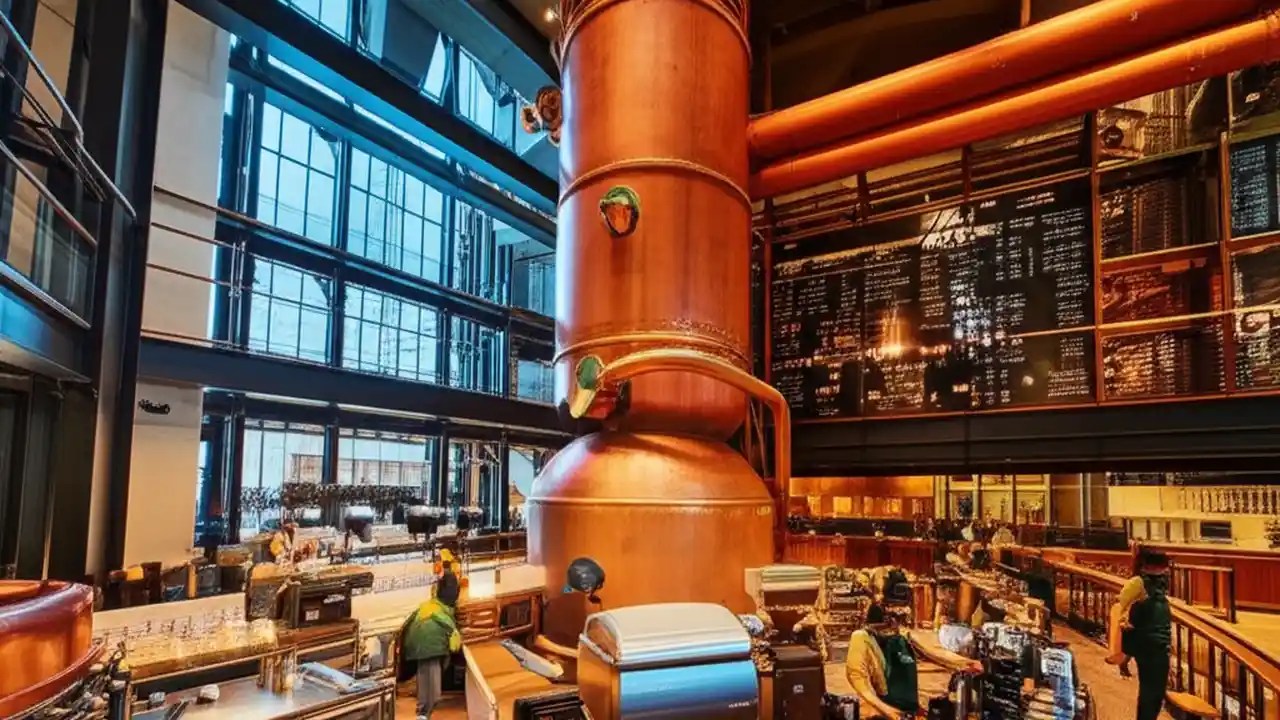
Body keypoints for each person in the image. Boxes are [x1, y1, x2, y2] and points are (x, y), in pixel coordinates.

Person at [846, 604, 978, 719]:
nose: (890, 631)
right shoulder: (861, 638)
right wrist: (887, 711)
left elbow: (934, 653)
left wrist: (966, 663)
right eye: (884, 627)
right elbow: (858, 680)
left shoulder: (902, 636)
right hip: (880, 710)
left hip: (908, 709)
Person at [1105, 548, 1172, 720]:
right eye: (1162, 566)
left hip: (1157, 644)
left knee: (1154, 694)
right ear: (1150, 565)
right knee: (1152, 695)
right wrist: (1116, 650)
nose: (1165, 570)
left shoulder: (1158, 585)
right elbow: (1118, 607)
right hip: (1149, 646)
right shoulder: (1138, 582)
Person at [401, 572, 463, 719]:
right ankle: (425, 713)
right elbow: (455, 645)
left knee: (424, 679)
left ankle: (421, 713)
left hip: (414, 643)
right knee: (434, 690)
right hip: (433, 647)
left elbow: (407, 624)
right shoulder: (446, 614)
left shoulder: (428, 605)